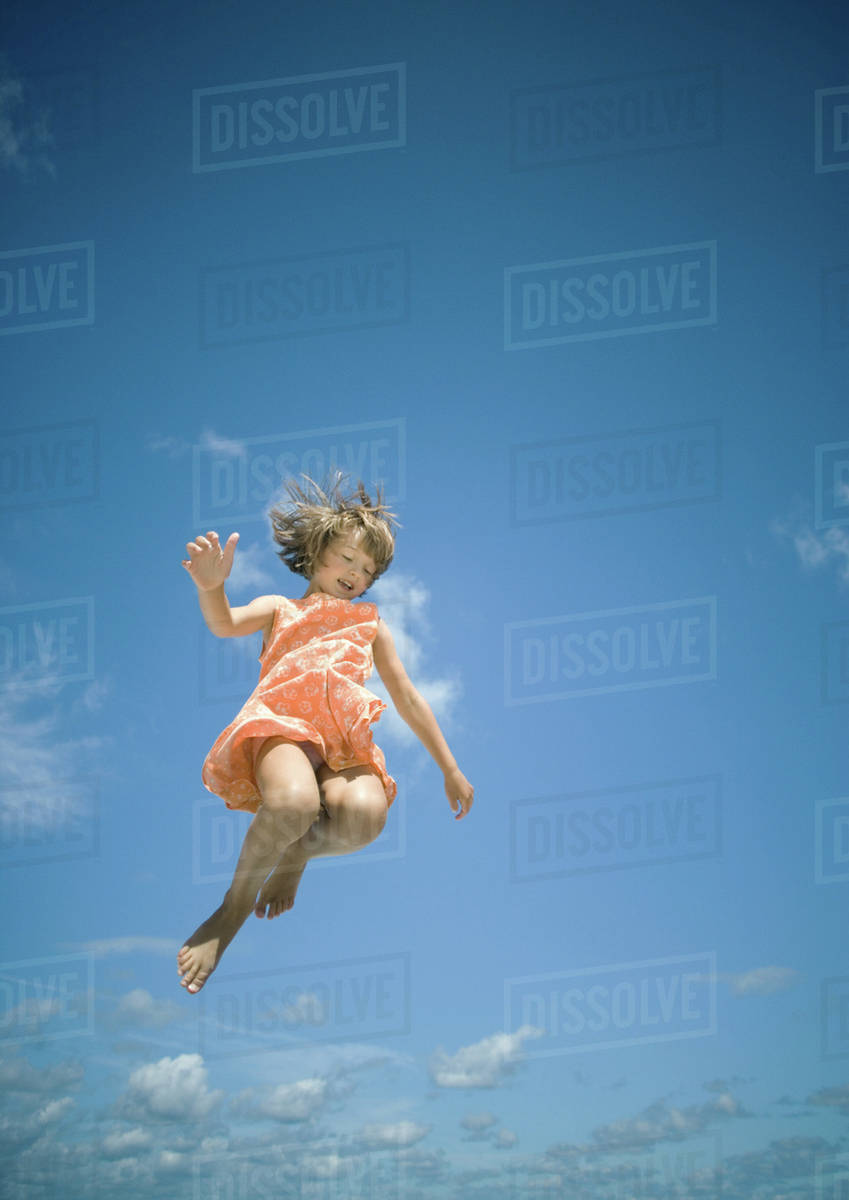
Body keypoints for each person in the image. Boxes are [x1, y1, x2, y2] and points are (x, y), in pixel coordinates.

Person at [177, 472, 474, 994]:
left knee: (366, 817)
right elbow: (224, 623)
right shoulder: (280, 609)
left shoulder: (369, 624)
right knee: (292, 804)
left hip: (341, 743)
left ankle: (296, 854)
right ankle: (231, 911)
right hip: (283, 728)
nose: (357, 574)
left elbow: (406, 696)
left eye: (368, 570)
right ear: (315, 553)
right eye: (347, 559)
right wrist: (212, 587)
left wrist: (449, 768)